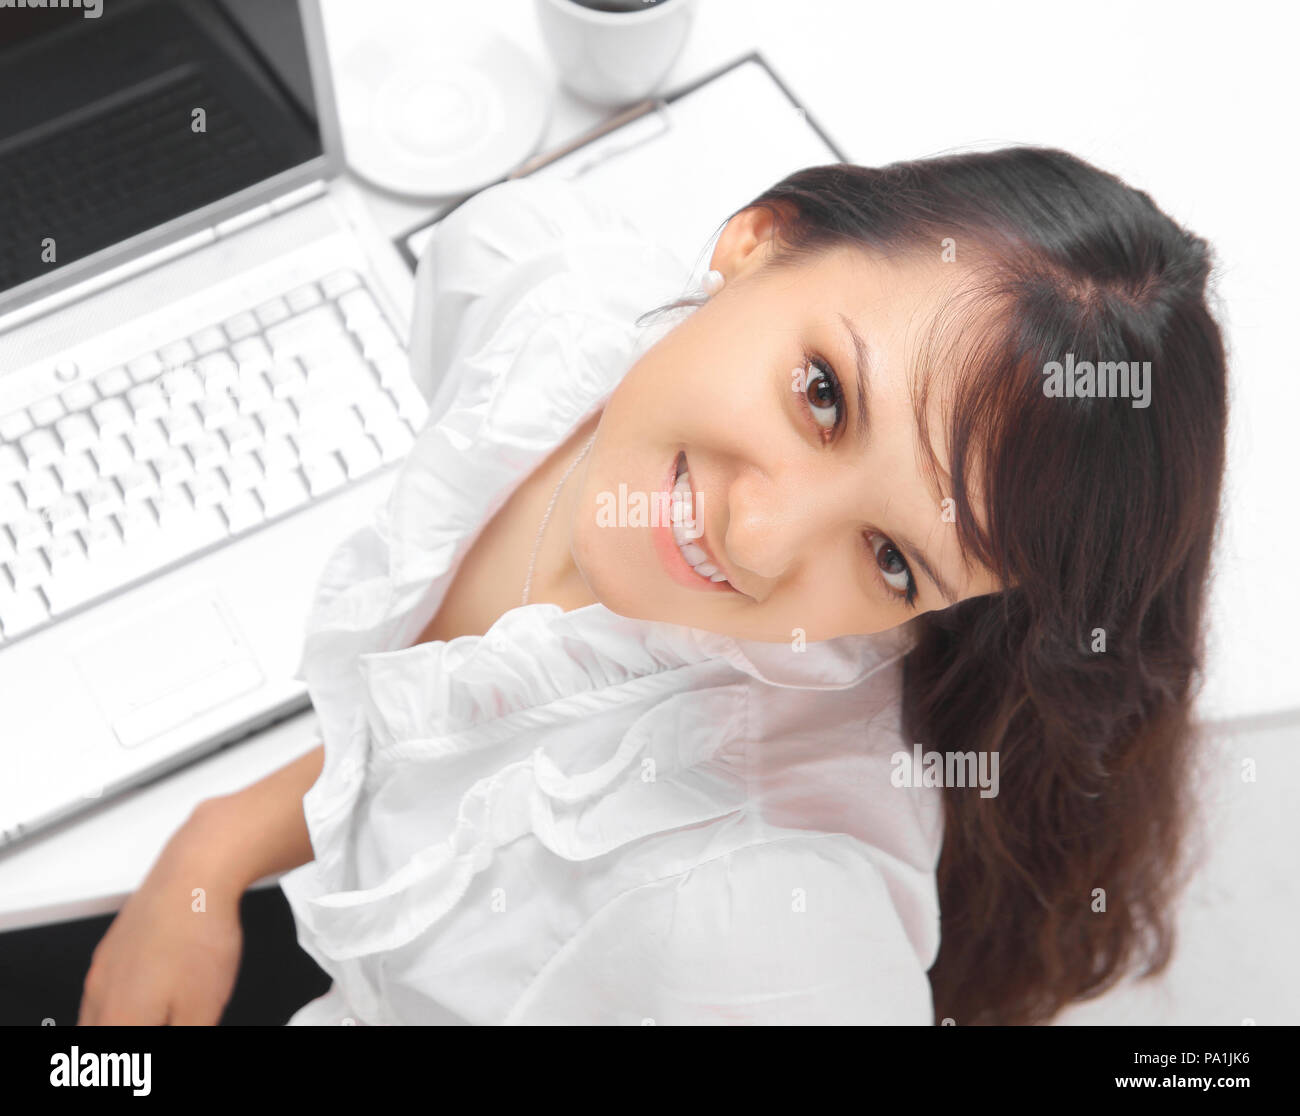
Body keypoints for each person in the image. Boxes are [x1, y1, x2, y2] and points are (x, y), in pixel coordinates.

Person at [78, 146, 1228, 1025]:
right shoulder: (538, 296)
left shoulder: (767, 914)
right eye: (823, 395)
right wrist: (213, 846)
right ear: (756, 240)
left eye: (890, 558)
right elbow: (450, 720)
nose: (760, 539)